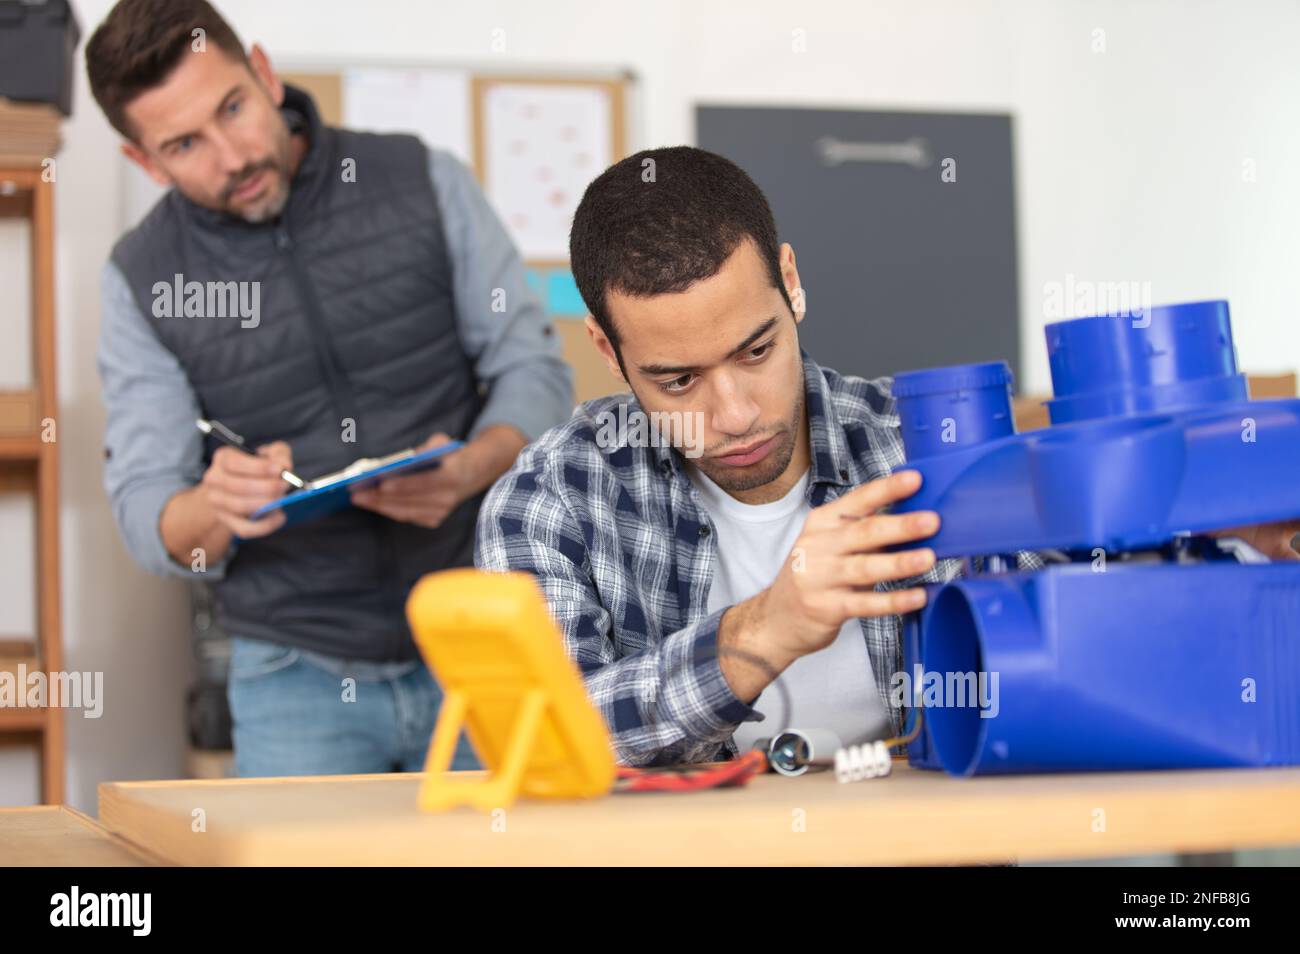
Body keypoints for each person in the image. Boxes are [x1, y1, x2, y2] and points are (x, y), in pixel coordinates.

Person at [475, 145, 1300, 766]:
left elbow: (1118, 613)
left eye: (757, 351)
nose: (734, 414)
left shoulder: (917, 446)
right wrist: (762, 631)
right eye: (679, 379)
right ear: (607, 351)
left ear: (791, 282)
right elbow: (537, 741)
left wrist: (1225, 538)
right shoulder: (552, 499)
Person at [87, 0, 572, 775]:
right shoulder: (139, 280)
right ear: (146, 163)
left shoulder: (421, 177)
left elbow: (534, 368)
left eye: (234, 108)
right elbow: (149, 509)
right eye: (184, 144)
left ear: (267, 75)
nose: (232, 156)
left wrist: (474, 467)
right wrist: (214, 507)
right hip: (293, 675)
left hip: (483, 633)